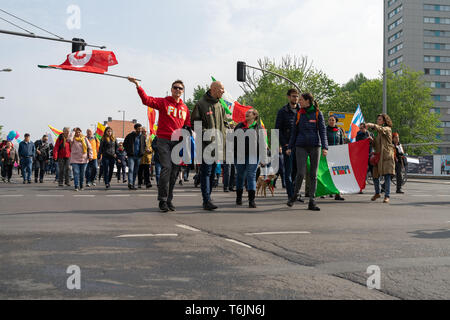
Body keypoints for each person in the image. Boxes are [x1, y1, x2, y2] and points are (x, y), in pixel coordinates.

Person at [128, 77, 191, 212]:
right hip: (163, 140)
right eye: (175, 87)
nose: (178, 90)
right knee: (167, 168)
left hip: (178, 142)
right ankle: (162, 200)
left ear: (183, 91)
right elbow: (146, 100)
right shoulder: (163, 102)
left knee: (174, 172)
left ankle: (169, 199)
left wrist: (188, 130)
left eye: (180, 88)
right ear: (171, 89)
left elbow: (188, 123)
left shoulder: (185, 108)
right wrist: (138, 85)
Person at [286, 93, 328, 211]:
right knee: (300, 173)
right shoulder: (299, 114)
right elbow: (294, 132)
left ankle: (312, 201)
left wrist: (325, 147)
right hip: (301, 146)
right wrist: (290, 146)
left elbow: (322, 131)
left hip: (315, 146)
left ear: (308, 101)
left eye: (301, 100)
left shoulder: (317, 113)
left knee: (313, 175)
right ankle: (294, 195)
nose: (299, 102)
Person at [191, 81, 229, 211]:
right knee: (206, 172)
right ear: (213, 89)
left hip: (218, 146)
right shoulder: (201, 104)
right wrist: (209, 136)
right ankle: (206, 200)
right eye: (221, 89)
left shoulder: (220, 105)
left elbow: (224, 122)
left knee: (213, 173)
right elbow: (195, 125)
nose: (223, 92)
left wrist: (227, 127)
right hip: (206, 145)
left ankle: (208, 197)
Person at [234, 108, 263, 208]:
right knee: (240, 176)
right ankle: (239, 197)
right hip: (240, 154)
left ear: (255, 115)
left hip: (253, 155)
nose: (247, 113)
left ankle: (251, 200)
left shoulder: (259, 127)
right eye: (246, 112)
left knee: (251, 175)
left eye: (249, 112)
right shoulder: (239, 126)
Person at [275, 89, 301, 201]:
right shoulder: (283, 111)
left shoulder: (302, 111)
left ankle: (296, 193)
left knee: (298, 171)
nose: (295, 98)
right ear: (288, 97)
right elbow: (277, 129)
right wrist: (284, 144)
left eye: (297, 96)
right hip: (288, 146)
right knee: (289, 171)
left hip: (300, 145)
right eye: (293, 96)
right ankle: (291, 195)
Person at [366, 114, 395, 203]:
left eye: (379, 119)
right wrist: (372, 141)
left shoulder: (387, 129)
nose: (378, 120)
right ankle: (377, 193)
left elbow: (381, 129)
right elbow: (376, 145)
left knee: (387, 176)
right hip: (378, 156)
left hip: (386, 156)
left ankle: (387, 196)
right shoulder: (378, 133)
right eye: (377, 119)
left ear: (384, 121)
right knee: (375, 175)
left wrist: (372, 125)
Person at [326, 116, 345, 201]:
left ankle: (338, 194)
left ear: (335, 121)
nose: (331, 121)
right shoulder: (325, 130)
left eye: (333, 120)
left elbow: (341, 143)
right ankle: (325, 191)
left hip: (337, 154)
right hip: (327, 154)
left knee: (337, 174)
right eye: (330, 120)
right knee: (327, 173)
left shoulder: (339, 131)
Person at [123, 123, 146, 190]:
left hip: (138, 156)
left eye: (141, 128)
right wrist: (128, 151)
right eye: (139, 128)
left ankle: (132, 183)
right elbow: (124, 144)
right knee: (131, 169)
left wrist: (143, 152)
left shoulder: (142, 137)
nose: (140, 130)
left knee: (135, 171)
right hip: (131, 156)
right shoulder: (130, 136)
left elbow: (144, 145)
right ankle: (130, 183)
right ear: (136, 129)